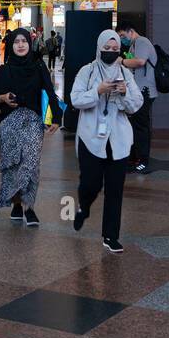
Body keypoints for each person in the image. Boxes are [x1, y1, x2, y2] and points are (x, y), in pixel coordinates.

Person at [70, 30, 143, 253]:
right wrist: (97, 91)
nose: (110, 52)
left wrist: (123, 93)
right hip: (91, 137)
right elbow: (75, 99)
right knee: (91, 184)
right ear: (99, 47)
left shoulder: (125, 73)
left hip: (118, 141)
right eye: (107, 49)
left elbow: (136, 104)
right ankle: (84, 207)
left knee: (115, 189)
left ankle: (110, 235)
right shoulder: (88, 71)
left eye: (114, 49)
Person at [0, 28, 62, 227]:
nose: (20, 45)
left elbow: (49, 91)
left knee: (30, 163)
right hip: (9, 123)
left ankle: (29, 207)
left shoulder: (39, 67)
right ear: (11, 45)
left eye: (24, 41)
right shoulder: (4, 71)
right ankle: (16, 204)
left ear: (29, 44)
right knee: (12, 165)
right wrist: (2, 98)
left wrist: (57, 116)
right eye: (16, 42)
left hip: (32, 121)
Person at [118, 24, 158, 173]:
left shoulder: (142, 42)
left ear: (131, 31)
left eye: (123, 35)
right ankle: (135, 158)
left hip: (145, 92)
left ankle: (143, 161)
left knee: (141, 127)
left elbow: (140, 61)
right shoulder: (133, 45)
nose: (122, 39)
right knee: (136, 125)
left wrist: (121, 61)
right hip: (138, 92)